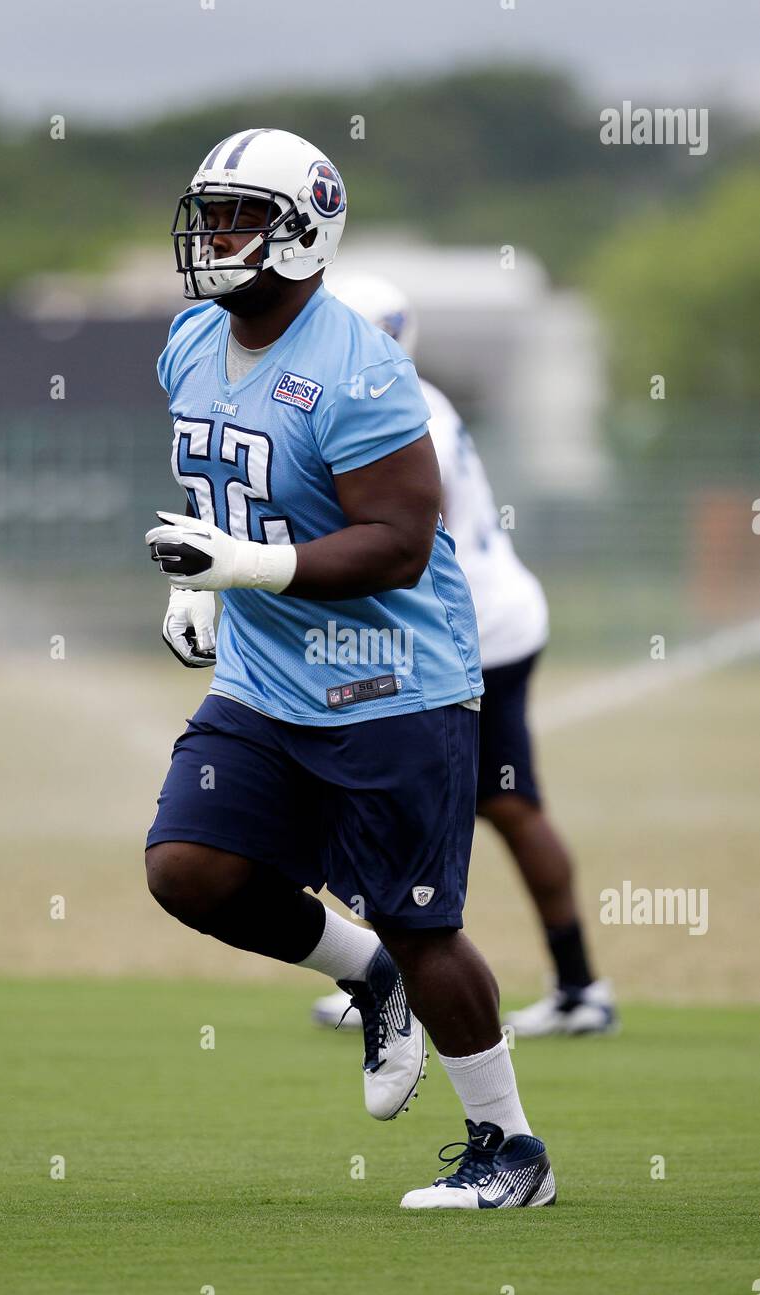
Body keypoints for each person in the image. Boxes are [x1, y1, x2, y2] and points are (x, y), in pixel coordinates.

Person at [146, 128, 555, 1209]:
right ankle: (359, 968)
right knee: (189, 868)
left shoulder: (363, 367)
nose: (215, 236)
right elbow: (217, 484)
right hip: (266, 679)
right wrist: (202, 580)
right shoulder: (191, 341)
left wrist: (249, 565)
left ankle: (511, 1148)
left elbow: (399, 543)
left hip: (390, 679)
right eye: (212, 214)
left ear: (302, 230)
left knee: (425, 925)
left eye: (239, 216)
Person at [311, 274, 616, 1038]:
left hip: (462, 632)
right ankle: (571, 985)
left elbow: (405, 544)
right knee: (494, 804)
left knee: (418, 798)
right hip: (490, 620)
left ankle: (402, 981)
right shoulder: (408, 398)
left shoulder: (400, 410)